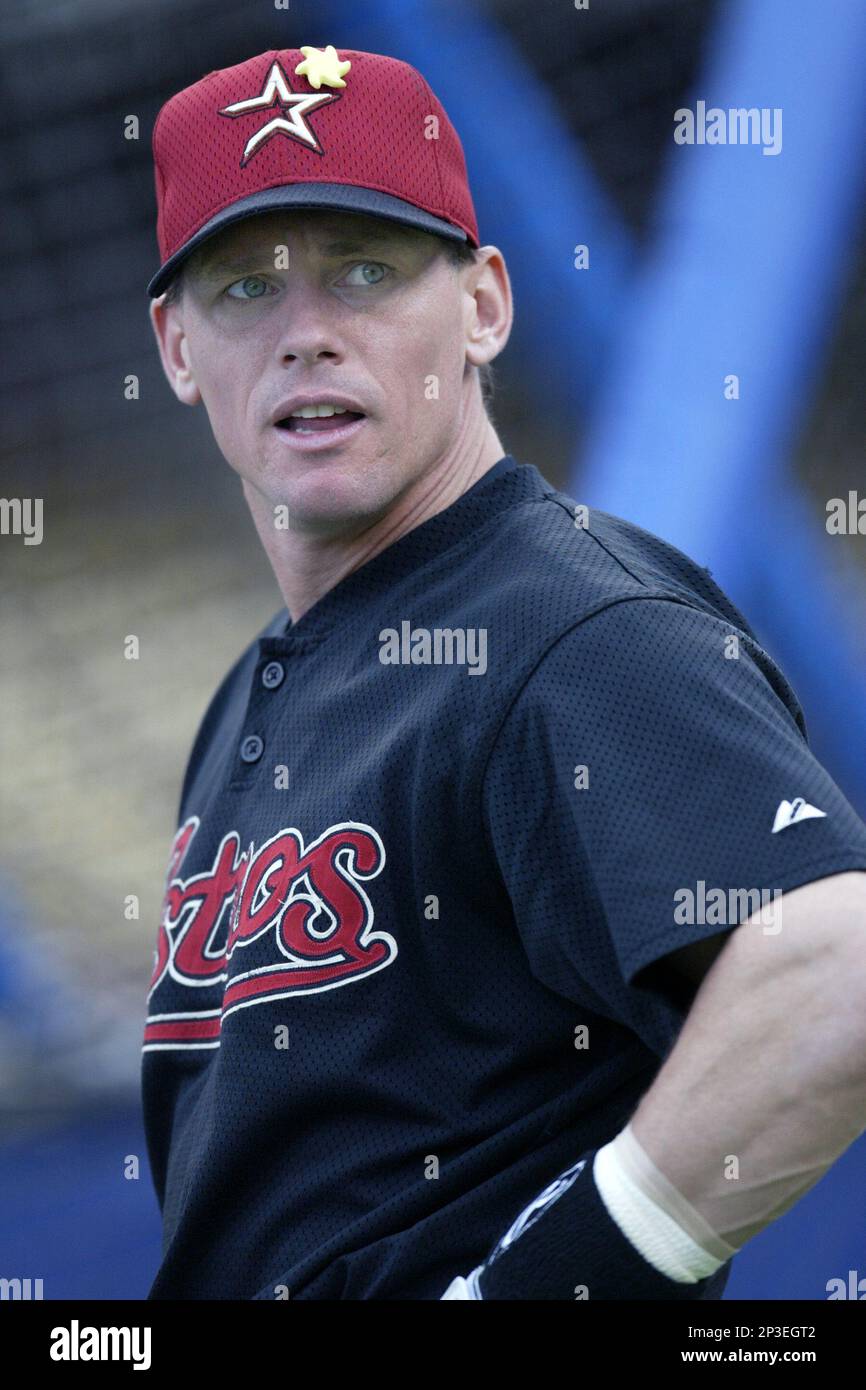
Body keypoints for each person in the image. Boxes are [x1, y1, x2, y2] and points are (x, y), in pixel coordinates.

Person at [142, 44, 866, 1300]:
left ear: (482, 304)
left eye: (363, 270)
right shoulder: (273, 673)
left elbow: (833, 974)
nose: (307, 333)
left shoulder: (569, 627)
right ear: (177, 346)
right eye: (245, 286)